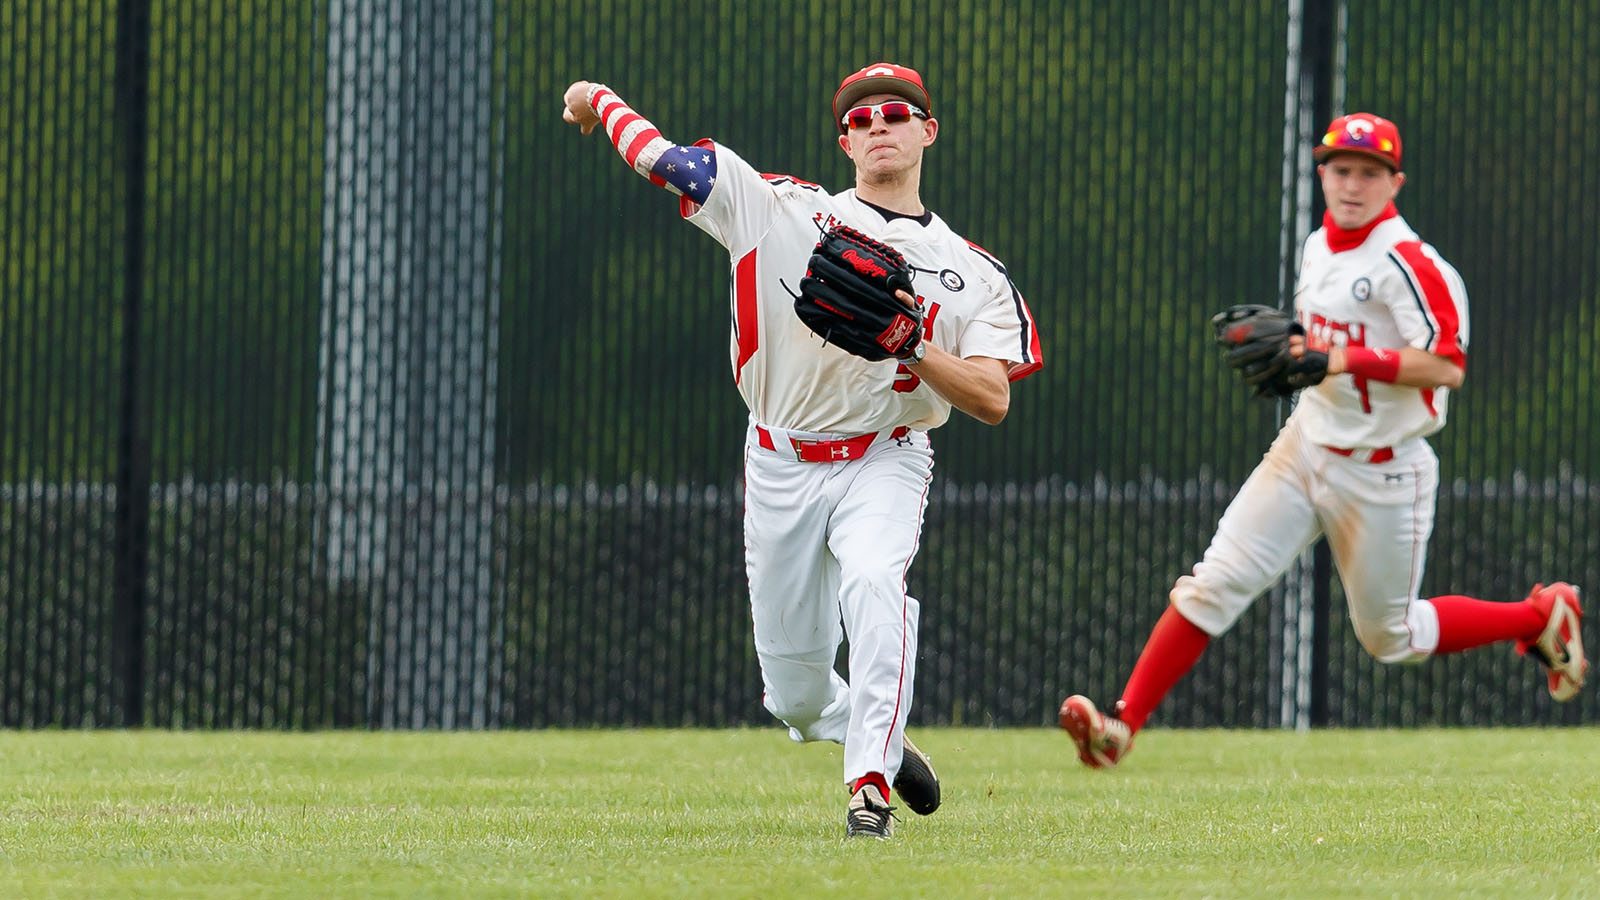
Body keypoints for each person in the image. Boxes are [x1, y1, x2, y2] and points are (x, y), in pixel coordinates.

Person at [562, 64, 1043, 836]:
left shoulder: (974, 273)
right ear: (845, 142)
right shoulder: (784, 210)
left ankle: (867, 788)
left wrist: (913, 345)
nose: (878, 125)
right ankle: (865, 725)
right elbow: (667, 160)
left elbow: (992, 398)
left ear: (928, 130)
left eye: (895, 112)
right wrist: (597, 98)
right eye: (860, 119)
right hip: (780, 458)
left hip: (887, 453)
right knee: (793, 694)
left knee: (876, 582)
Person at [1059, 112, 1586, 769]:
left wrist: (1338, 358)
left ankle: (1538, 616)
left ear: (1396, 182)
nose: (1354, 184)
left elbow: (1447, 365)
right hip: (1306, 444)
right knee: (1212, 583)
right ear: (1323, 173)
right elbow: (1316, 353)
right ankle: (1122, 727)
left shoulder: (1412, 265)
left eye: (1370, 172)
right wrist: (1315, 356)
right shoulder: (1317, 246)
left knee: (1391, 637)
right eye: (1342, 169)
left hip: (1384, 469)